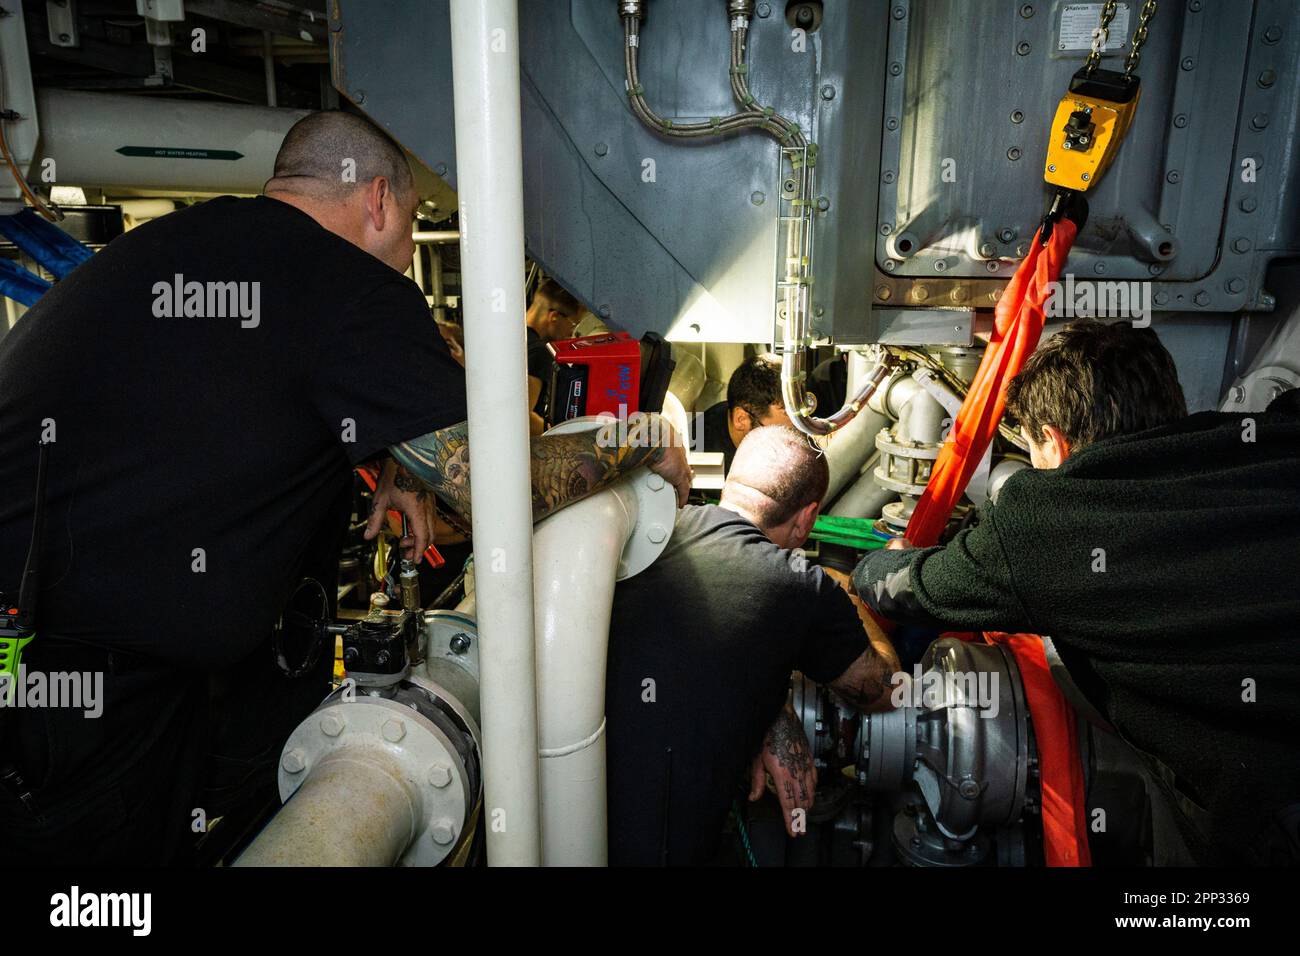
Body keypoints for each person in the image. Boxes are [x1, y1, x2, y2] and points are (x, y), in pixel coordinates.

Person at [0, 110, 690, 865]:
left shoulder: (184, 243)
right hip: (73, 712)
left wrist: (392, 452)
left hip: (58, 675)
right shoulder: (349, 284)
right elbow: (506, 493)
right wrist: (641, 438)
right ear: (382, 200)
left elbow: (223, 412)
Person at [851, 320, 1300, 865]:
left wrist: (876, 567)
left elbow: (906, 587)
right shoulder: (1271, 441)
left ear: (1053, 442)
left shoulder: (1052, 524)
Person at [606, 425, 899, 865]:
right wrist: (855, 598)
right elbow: (883, 691)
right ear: (807, 518)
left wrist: (768, 708)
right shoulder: (803, 589)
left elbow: (689, 645)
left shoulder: (648, 534)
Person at [698, 353, 794, 475]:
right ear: (741, 420)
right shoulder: (702, 467)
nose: (786, 447)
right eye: (778, 437)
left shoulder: (742, 407)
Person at [526, 278, 586, 434]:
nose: (571, 334)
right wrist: (563, 436)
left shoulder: (511, 338)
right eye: (573, 324)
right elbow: (523, 418)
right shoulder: (538, 352)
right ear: (554, 317)